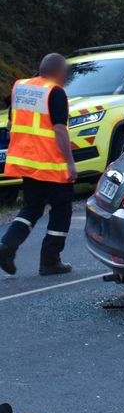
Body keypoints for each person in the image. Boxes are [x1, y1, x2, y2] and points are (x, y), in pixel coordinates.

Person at [0, 54, 76, 276]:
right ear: (58, 72)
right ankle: (50, 261)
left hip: (28, 163)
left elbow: (11, 125)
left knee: (32, 207)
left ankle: (6, 246)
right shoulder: (55, 92)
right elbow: (59, 129)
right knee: (62, 210)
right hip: (51, 164)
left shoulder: (21, 88)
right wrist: (70, 163)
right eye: (65, 72)